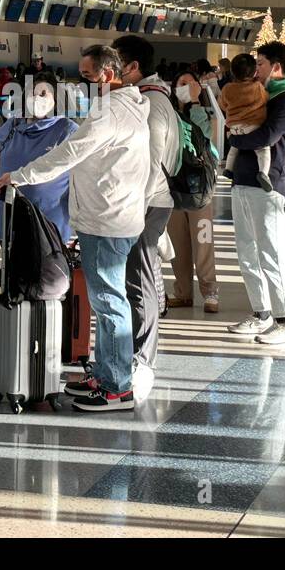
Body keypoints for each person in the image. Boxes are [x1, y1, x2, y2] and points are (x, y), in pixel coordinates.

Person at [0, 45, 149, 412]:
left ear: (108, 75)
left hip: (107, 219)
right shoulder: (130, 105)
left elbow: (69, 153)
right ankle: (106, 372)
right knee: (107, 299)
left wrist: (20, 175)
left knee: (109, 302)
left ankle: (116, 388)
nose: (81, 84)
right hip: (119, 214)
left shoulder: (109, 112)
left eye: (86, 76)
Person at [225, 42, 285, 345]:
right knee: (247, 252)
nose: (255, 69)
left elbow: (266, 135)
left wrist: (236, 136)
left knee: (272, 253)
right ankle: (261, 314)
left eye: (260, 63)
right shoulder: (260, 96)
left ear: (277, 67)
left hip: (268, 184)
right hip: (242, 181)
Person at [113, 35, 177, 398]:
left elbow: (152, 163)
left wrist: (133, 207)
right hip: (147, 201)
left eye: (115, 61)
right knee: (141, 275)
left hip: (147, 203)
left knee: (140, 281)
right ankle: (135, 353)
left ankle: (143, 358)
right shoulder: (149, 97)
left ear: (133, 66)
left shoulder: (151, 102)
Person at [0, 72, 79, 243]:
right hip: (7, 210)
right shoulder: (15, 123)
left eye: (43, 94)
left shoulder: (66, 129)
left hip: (46, 217)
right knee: (10, 262)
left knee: (43, 265)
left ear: (56, 99)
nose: (36, 99)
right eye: (32, 94)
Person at [165, 69, 221, 313]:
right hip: (174, 189)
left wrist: (196, 102)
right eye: (181, 83)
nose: (184, 87)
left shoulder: (206, 113)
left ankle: (210, 292)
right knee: (178, 243)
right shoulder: (167, 113)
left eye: (189, 83)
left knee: (203, 241)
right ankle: (183, 292)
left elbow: (204, 135)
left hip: (200, 189)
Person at [219, 54, 273, 191]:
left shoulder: (227, 88)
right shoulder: (257, 87)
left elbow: (223, 104)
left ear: (232, 71)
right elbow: (265, 99)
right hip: (252, 126)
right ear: (255, 71)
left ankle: (228, 169)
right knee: (263, 150)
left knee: (233, 150)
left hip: (234, 128)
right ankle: (263, 173)